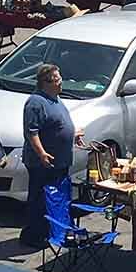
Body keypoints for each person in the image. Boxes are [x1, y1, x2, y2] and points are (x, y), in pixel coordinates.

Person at [20, 64, 84, 248]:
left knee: (55, 199)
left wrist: (72, 135)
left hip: (60, 162)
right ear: (46, 82)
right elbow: (31, 132)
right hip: (43, 163)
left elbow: (56, 126)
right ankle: (33, 236)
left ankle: (49, 231)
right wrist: (42, 153)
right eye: (57, 79)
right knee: (40, 200)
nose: (61, 81)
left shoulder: (55, 99)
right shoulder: (36, 102)